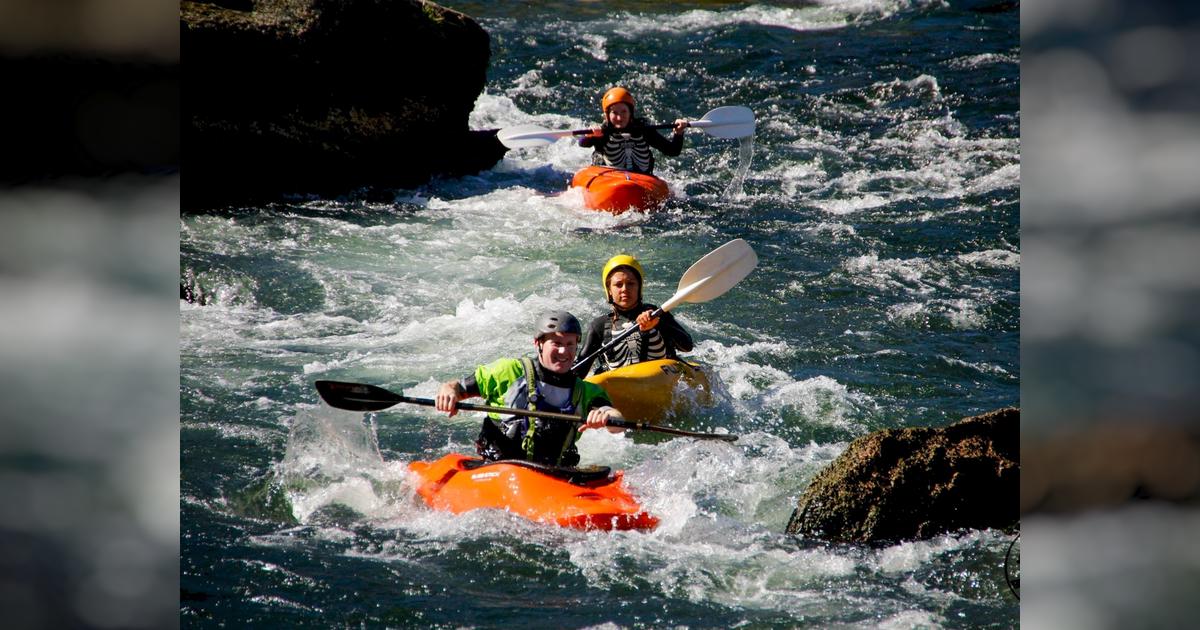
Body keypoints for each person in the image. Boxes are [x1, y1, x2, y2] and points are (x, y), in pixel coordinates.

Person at [434, 310, 625, 467]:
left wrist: (607, 417)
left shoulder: (586, 391)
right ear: (538, 344)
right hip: (497, 469)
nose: (564, 351)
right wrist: (449, 391)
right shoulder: (508, 372)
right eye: (556, 343)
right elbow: (458, 387)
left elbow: (616, 421)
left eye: (570, 344)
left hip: (552, 477)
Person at [574, 254, 695, 377]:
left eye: (631, 283)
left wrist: (659, 323)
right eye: (618, 284)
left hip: (661, 382)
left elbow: (687, 346)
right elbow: (579, 372)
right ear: (609, 290)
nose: (625, 289)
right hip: (620, 387)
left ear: (639, 287)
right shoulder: (599, 326)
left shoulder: (656, 313)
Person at [578, 86, 689, 176]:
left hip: (641, 178)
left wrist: (678, 133)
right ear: (607, 115)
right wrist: (590, 136)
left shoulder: (643, 130)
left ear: (631, 113)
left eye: (624, 112)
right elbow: (582, 143)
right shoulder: (603, 132)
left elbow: (673, 151)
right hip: (609, 177)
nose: (619, 118)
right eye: (614, 113)